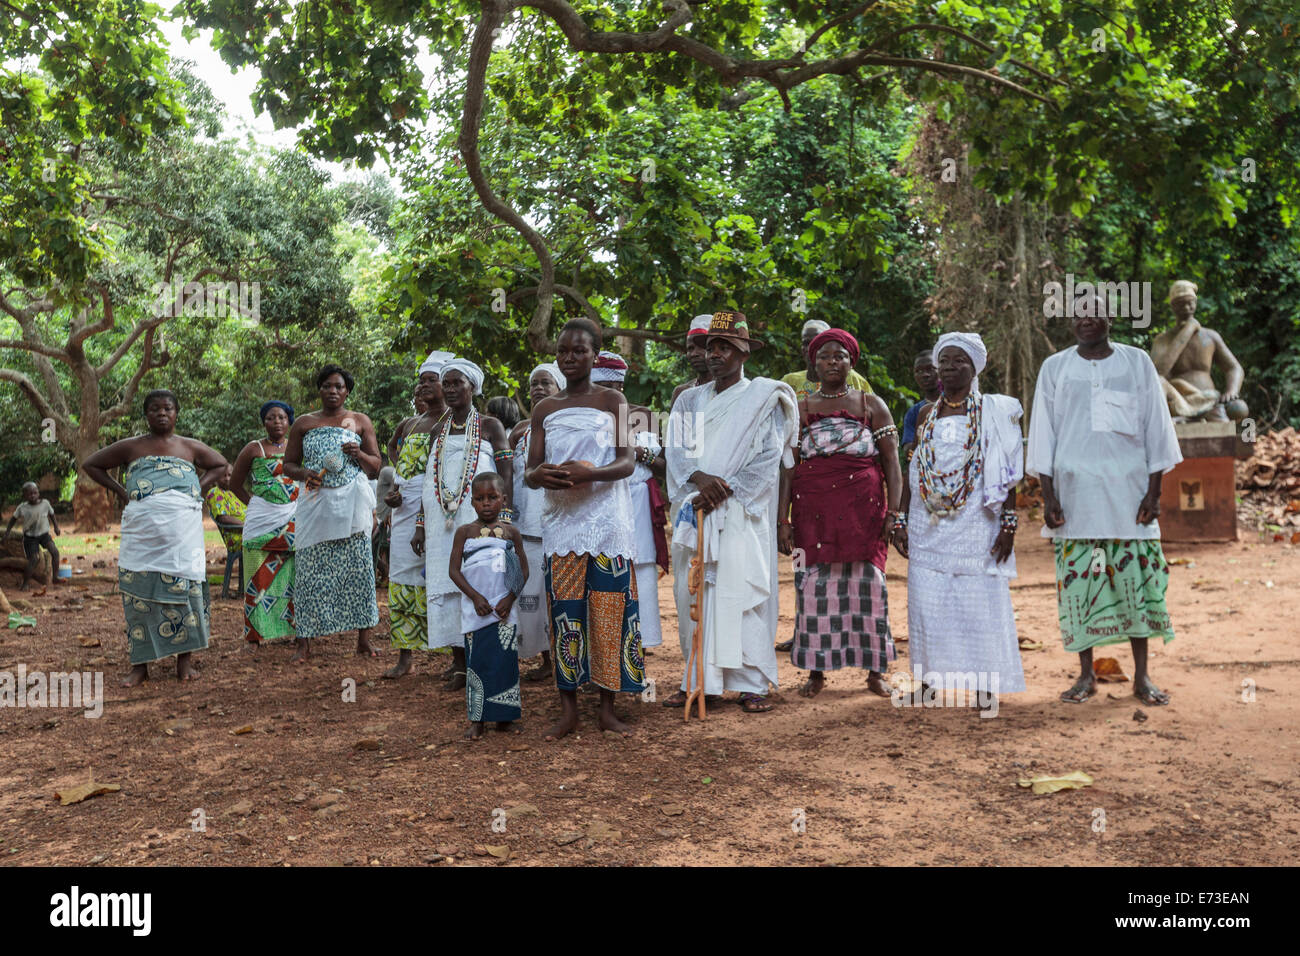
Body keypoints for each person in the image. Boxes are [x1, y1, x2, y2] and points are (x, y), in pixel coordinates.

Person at [1026, 295, 1182, 706]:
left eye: (1094, 313)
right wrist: (1050, 495)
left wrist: (1155, 491)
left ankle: (1143, 677)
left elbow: (1157, 428)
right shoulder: (1055, 367)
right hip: (1076, 499)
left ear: (1110, 317)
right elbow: (1043, 434)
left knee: (1137, 586)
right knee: (1080, 589)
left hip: (1130, 496)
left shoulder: (1136, 362)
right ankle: (1085, 675)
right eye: (1078, 315)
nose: (1086, 321)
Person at [665, 310, 797, 713]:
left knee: (742, 592)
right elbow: (676, 451)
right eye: (711, 347)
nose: (716, 354)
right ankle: (700, 679)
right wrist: (700, 479)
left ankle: (752, 682)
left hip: (741, 512)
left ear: (744, 353)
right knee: (695, 593)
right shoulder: (688, 399)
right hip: (697, 509)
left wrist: (727, 489)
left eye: (726, 347)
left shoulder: (763, 397)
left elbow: (769, 456)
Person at [524, 318, 645, 739]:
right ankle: (568, 708)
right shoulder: (545, 409)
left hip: (607, 523)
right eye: (563, 351)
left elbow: (628, 462)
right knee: (565, 614)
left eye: (579, 351)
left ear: (595, 355)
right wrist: (545, 476)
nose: (570, 358)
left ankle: (608, 708)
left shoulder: (615, 400)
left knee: (609, 613)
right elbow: (529, 471)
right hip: (562, 525)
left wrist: (589, 473)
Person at [892, 333, 1025, 713]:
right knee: (926, 605)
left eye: (958, 361)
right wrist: (901, 518)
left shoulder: (993, 411)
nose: (949, 368)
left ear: (974, 367)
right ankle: (928, 684)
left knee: (977, 605)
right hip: (928, 524)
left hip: (977, 523)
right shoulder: (923, 414)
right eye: (944, 361)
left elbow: (1007, 472)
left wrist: (1008, 525)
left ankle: (985, 690)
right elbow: (914, 468)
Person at [777, 328, 901, 698]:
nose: (832, 362)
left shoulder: (871, 404)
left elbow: (893, 463)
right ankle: (816, 672)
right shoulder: (801, 410)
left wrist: (894, 513)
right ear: (813, 364)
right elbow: (788, 467)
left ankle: (875, 672)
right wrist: (782, 519)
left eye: (840, 356)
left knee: (870, 587)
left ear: (852, 362)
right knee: (813, 588)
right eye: (825, 357)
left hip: (864, 514)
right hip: (812, 516)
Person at [83, 389, 227, 685]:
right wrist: (121, 491)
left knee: (185, 594)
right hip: (143, 535)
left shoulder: (189, 446)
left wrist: (197, 487)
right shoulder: (131, 446)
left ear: (176, 413)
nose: (162, 414)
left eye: (168, 409)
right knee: (140, 596)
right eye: (155, 410)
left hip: (182, 536)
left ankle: (184, 664)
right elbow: (91, 464)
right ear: (146, 415)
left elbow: (221, 465)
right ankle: (141, 666)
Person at [412, 358, 511, 691]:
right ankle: (458, 664)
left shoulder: (491, 426)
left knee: (482, 582)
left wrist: (503, 516)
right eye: (447, 383)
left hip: (478, 517)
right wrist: (421, 524)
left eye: (458, 383)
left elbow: (506, 473)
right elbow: (430, 479)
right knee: (447, 585)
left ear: (474, 388)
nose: (451, 389)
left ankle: (484, 659)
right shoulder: (438, 429)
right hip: (443, 522)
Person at [281, 364, 382, 662]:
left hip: (353, 504)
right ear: (319, 390)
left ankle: (364, 640)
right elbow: (288, 465)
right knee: (310, 572)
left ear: (347, 391)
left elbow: (376, 466)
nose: (333, 391)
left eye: (339, 387)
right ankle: (305, 643)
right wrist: (305, 473)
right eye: (327, 386)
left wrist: (359, 454)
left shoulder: (360, 421)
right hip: (316, 505)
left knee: (359, 569)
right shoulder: (303, 423)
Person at [592, 350, 668, 654]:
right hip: (604, 502)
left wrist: (640, 453)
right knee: (606, 566)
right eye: (607, 388)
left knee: (642, 567)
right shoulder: (588, 419)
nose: (615, 394)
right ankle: (609, 638)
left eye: (619, 387)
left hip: (639, 501)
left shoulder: (644, 415)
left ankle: (643, 637)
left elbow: (665, 467)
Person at [383, 350, 451, 679]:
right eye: (421, 380)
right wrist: (397, 487)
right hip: (404, 508)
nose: (424, 386)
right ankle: (405, 655)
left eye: (431, 380)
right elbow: (392, 446)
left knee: (438, 575)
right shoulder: (410, 423)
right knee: (401, 577)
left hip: (436, 506)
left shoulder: (452, 420)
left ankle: (452, 655)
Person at [449, 472, 529, 739]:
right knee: (478, 663)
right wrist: (475, 597)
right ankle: (478, 720)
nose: (486, 503)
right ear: (471, 502)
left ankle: (504, 717)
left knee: (505, 664)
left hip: (504, 610)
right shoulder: (465, 533)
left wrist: (509, 599)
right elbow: (454, 571)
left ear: (504, 500)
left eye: (492, 497)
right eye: (480, 498)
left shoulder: (512, 533)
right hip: (477, 610)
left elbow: (523, 572)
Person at [508, 362, 566, 681]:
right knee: (531, 598)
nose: (539, 389)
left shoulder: (566, 425)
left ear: (559, 389)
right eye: (534, 384)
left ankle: (568, 659)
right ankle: (545, 661)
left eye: (546, 383)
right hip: (526, 527)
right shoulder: (519, 431)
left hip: (558, 524)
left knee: (560, 596)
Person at [228, 400, 299, 645]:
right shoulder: (253, 448)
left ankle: (288, 631)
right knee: (257, 578)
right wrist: (257, 505)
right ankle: (256, 634)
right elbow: (234, 484)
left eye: (281, 417)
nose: (276, 422)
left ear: (289, 421)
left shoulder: (297, 448)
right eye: (271, 417)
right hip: (261, 521)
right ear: (264, 422)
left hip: (292, 518)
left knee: (289, 575)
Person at [1151, 280, 1246, 422]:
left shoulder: (1210, 336)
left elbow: (1234, 368)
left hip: (1209, 400)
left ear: (1196, 303)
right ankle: (1183, 417)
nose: (1187, 307)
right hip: (1178, 401)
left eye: (1190, 302)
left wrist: (1232, 391)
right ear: (1173, 306)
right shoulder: (1163, 340)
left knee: (1239, 408)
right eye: (1181, 303)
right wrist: (1187, 331)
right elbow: (1157, 374)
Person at [781, 318, 872, 399]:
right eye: (806, 343)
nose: (810, 348)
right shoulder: (790, 381)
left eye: (816, 343)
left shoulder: (852, 377)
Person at [4, 482, 62, 590]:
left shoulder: (45, 503)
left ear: (38, 493)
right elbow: (13, 519)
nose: (33, 495)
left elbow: (52, 514)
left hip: (44, 534)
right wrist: (7, 531)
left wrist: (56, 527)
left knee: (55, 552)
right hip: (30, 538)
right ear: (25, 496)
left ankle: (55, 577)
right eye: (30, 494)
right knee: (34, 559)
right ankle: (25, 583)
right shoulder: (22, 507)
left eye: (35, 492)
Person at [900, 349, 942, 459]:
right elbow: (908, 451)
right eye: (918, 371)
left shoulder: (959, 404)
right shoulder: (914, 412)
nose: (925, 375)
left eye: (931, 369)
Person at [670, 314, 715, 409]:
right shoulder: (681, 392)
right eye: (690, 348)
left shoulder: (729, 390)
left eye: (701, 347)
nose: (694, 353)